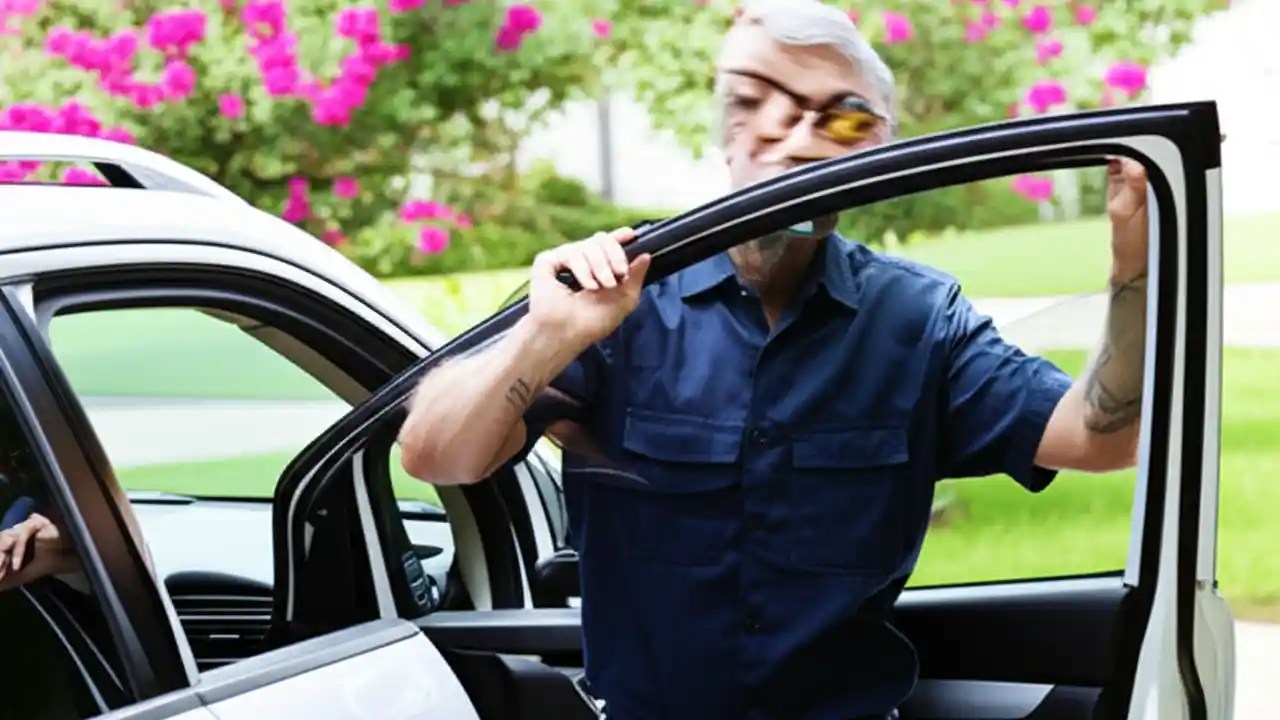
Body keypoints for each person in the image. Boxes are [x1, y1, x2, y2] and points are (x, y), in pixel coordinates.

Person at [397, 1, 1150, 717]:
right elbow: (438, 455)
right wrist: (548, 335)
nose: (794, 136)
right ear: (727, 131)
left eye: (840, 114)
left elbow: (1103, 436)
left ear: (875, 146)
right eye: (757, 104)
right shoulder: (618, 299)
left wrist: (1134, 253)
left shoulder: (917, 322)